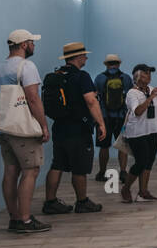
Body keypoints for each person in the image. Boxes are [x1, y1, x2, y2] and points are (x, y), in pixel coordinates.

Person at [0, 30, 51, 233]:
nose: (34, 45)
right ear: (24, 45)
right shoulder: (26, 66)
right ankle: (25, 220)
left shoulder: (1, 67)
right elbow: (33, 98)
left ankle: (14, 217)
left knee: (10, 171)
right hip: (23, 129)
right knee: (31, 171)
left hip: (3, 126)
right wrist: (43, 125)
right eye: (32, 42)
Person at [41, 41, 108, 215]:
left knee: (57, 164)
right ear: (78, 56)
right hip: (78, 128)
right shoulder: (82, 76)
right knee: (80, 167)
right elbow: (91, 101)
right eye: (84, 55)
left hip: (59, 127)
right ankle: (82, 202)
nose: (86, 57)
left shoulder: (56, 74)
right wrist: (100, 123)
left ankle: (50, 202)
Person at [122, 63, 157, 203]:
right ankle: (126, 188)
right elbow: (137, 112)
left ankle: (143, 191)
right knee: (141, 162)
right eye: (145, 73)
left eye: (150, 73)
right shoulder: (132, 93)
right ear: (137, 76)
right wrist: (150, 97)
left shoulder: (151, 89)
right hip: (137, 133)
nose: (149, 76)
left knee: (149, 162)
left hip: (153, 130)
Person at [94, 54, 130, 182]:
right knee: (123, 145)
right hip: (121, 117)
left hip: (103, 117)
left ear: (106, 64)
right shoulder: (126, 78)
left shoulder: (99, 78)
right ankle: (123, 172)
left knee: (104, 146)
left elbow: (94, 99)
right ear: (119, 64)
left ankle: (102, 172)